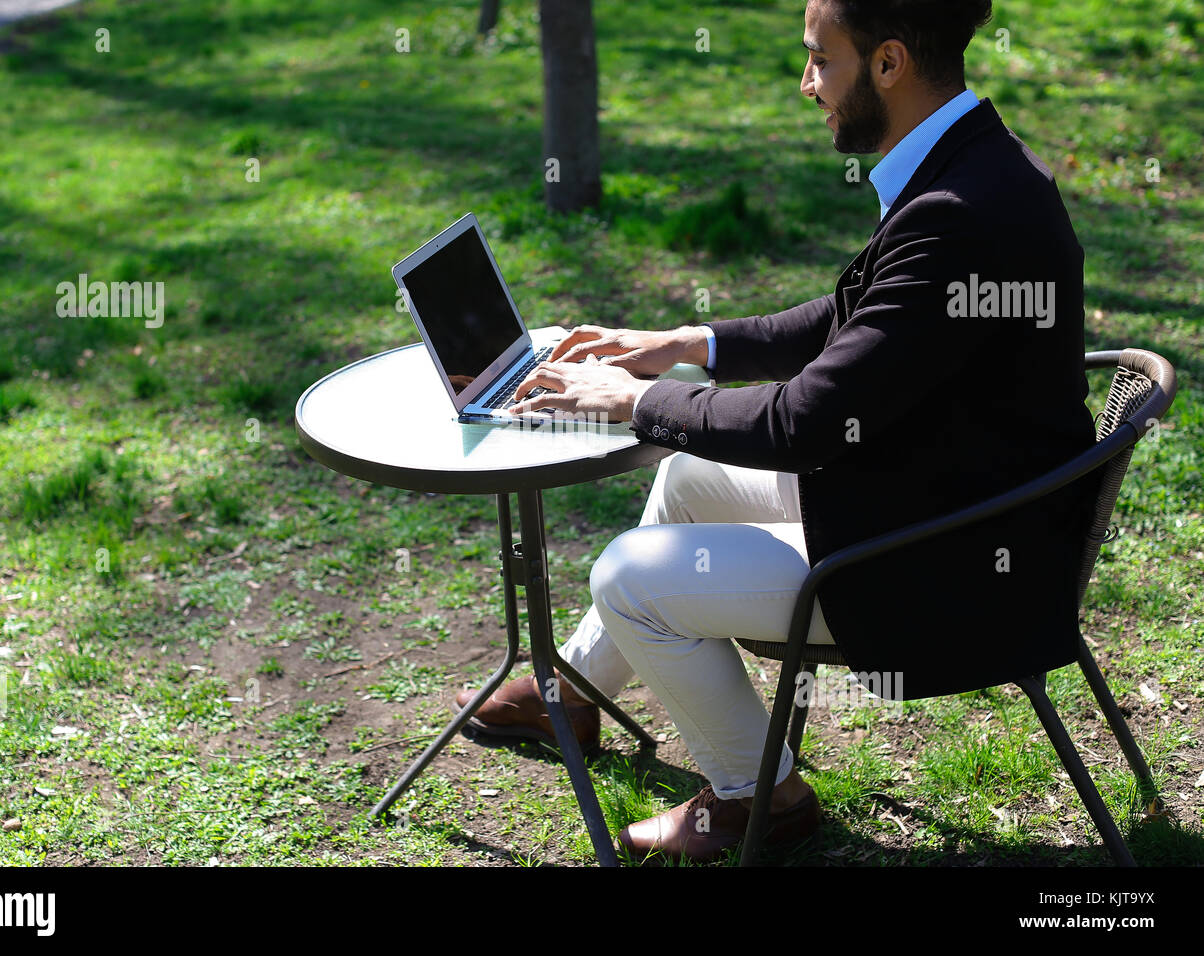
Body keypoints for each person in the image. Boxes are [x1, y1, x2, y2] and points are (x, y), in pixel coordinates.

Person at [452, 0, 1098, 863]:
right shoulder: (972, 163)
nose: (806, 85)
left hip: (949, 565)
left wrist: (633, 402)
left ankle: (761, 795)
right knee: (687, 483)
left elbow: (806, 421)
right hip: (949, 496)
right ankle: (572, 695)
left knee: (628, 577)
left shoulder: (959, 212)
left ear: (889, 63)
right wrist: (689, 345)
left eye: (820, 61)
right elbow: (851, 318)